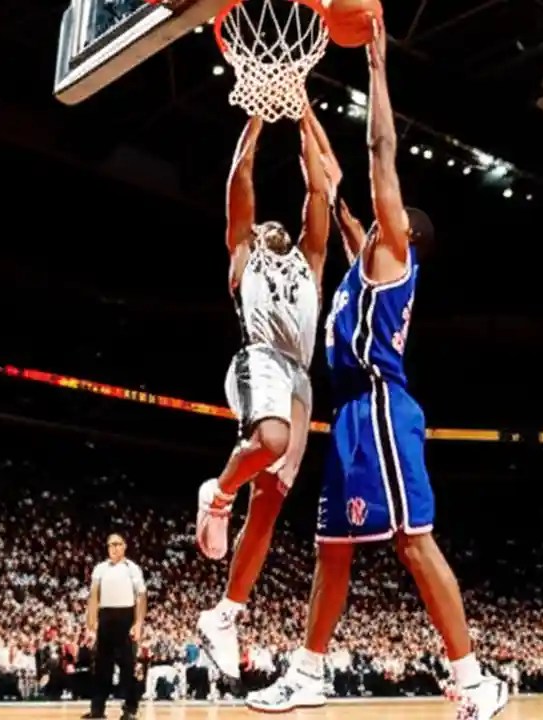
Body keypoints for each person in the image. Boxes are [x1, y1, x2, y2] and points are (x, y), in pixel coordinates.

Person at [245, 22, 508, 719]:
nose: (378, 213)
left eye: (390, 211)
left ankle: (474, 679)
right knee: (333, 545)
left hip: (384, 407)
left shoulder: (395, 253)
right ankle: (307, 671)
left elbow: (376, 151)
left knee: (412, 541)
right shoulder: (367, 259)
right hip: (351, 414)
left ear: (407, 231)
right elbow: (331, 177)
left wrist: (378, 64)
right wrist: (293, 94)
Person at [195, 108, 343, 681]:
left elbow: (318, 190)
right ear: (251, 237)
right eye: (261, 226)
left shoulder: (310, 259)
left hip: (302, 378)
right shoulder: (243, 257)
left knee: (274, 502)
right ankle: (218, 493)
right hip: (261, 360)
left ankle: (225, 615)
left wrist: (305, 119)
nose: (271, 227)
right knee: (270, 439)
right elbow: (240, 180)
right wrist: (257, 123)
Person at [85, 534, 147, 720]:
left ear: (125, 546)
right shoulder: (100, 569)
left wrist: (138, 623)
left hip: (126, 617)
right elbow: (93, 597)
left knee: (128, 665)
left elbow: (141, 597)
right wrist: (90, 625)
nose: (114, 548)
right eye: (111, 544)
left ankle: (130, 709)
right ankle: (97, 710)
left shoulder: (132, 569)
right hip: (105, 617)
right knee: (102, 667)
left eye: (118, 544)